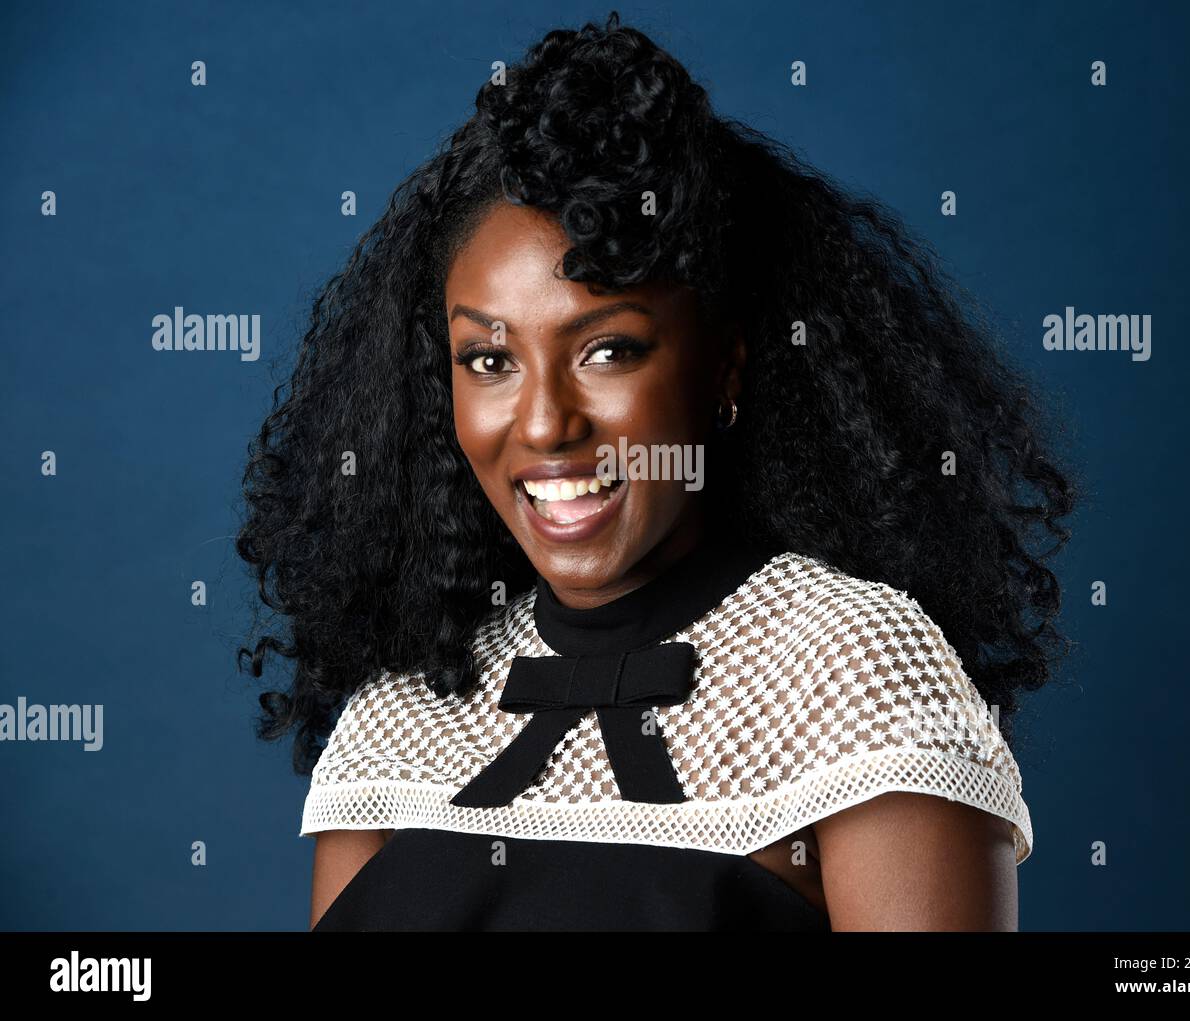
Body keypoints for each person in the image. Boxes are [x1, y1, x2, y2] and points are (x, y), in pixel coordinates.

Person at [237, 11, 1078, 931]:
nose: (547, 424)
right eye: (489, 360)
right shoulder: (400, 711)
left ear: (724, 365)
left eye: (607, 350)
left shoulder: (856, 671)